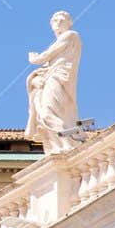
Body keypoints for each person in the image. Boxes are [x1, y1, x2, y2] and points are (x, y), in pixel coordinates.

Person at [26, 11, 82, 154]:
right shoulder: (55, 57)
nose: (58, 23)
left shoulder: (71, 35)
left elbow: (47, 55)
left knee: (47, 114)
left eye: (61, 20)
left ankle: (67, 142)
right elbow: (44, 68)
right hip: (52, 78)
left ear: (69, 22)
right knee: (48, 114)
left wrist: (35, 59)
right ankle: (61, 144)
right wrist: (34, 79)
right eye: (54, 21)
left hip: (59, 78)